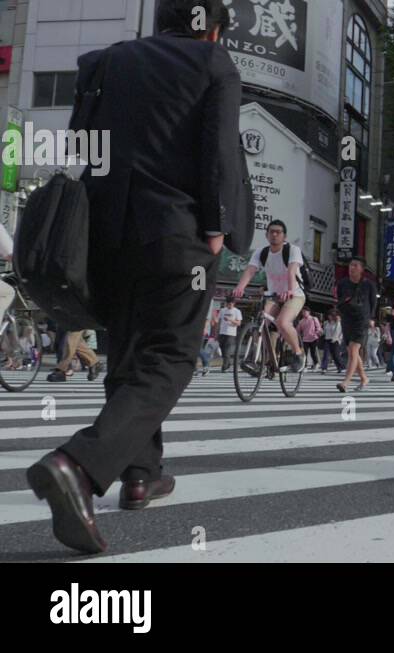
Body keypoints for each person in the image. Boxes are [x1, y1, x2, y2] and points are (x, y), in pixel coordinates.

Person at [26, 0, 254, 554]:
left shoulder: (108, 61)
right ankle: (78, 464)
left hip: (102, 234)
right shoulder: (214, 64)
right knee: (169, 357)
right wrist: (219, 227)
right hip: (175, 231)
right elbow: (219, 150)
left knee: (127, 353)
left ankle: (140, 474)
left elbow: (83, 144)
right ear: (213, 30)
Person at [234, 220, 307, 373]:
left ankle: (298, 354)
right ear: (267, 235)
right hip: (273, 296)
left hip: (294, 295)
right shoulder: (261, 252)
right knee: (261, 322)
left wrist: (290, 290)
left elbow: (291, 271)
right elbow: (250, 270)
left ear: (284, 236)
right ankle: (263, 360)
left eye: (278, 232)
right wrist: (240, 287)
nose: (274, 234)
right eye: (271, 232)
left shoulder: (293, 250)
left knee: (282, 322)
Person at [334, 256, 377, 392]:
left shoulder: (369, 284)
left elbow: (373, 303)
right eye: (351, 265)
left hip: (362, 319)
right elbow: (339, 299)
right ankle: (364, 378)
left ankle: (346, 382)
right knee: (352, 351)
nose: (352, 268)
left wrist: (371, 318)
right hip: (347, 319)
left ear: (362, 269)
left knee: (353, 350)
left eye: (355, 265)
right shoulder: (342, 283)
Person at [217, 297, 242, 372]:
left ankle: (224, 366)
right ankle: (228, 363)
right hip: (222, 332)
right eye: (228, 304)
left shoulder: (237, 311)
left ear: (234, 303)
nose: (229, 305)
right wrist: (216, 332)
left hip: (231, 333)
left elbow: (239, 323)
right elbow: (219, 321)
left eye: (231, 304)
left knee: (227, 349)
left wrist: (230, 319)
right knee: (222, 349)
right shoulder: (222, 310)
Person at [296, 306, 322, 371]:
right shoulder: (301, 321)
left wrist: (317, 332)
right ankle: (305, 366)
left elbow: (318, 327)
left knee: (313, 352)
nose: (304, 313)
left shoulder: (314, 318)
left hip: (314, 338)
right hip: (305, 339)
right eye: (303, 312)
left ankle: (316, 364)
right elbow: (298, 330)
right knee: (304, 353)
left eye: (305, 311)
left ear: (309, 312)